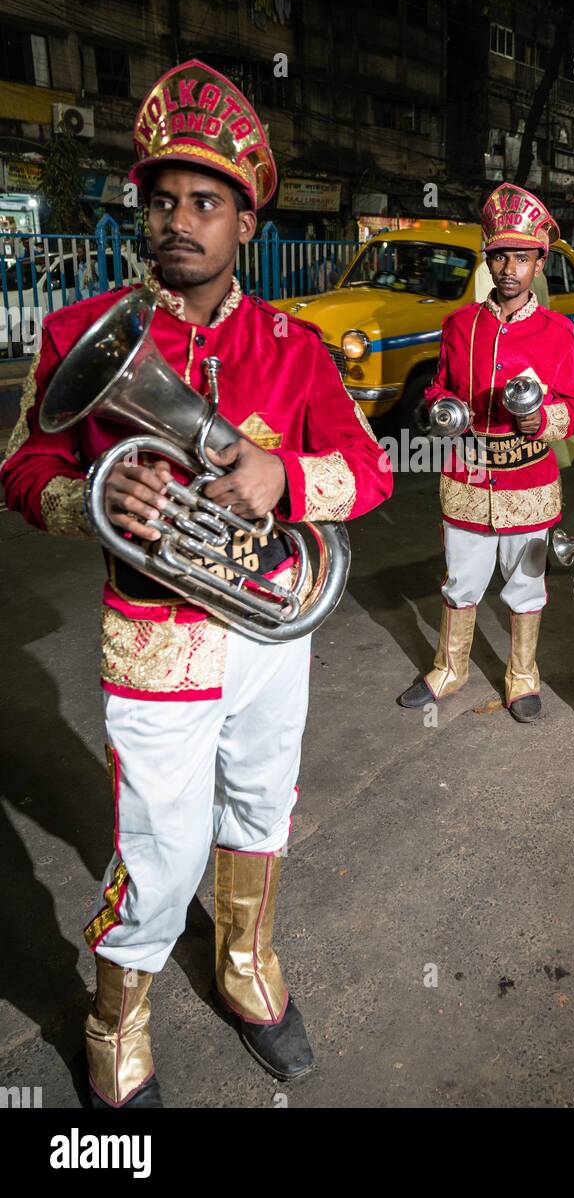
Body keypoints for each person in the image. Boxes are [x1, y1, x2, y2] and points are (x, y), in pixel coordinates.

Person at [0, 59, 392, 1108]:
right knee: (159, 849)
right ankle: (115, 1017)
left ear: (246, 224)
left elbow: (373, 470)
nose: (180, 220)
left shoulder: (295, 349)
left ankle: (244, 967)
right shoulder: (74, 330)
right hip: (154, 633)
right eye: (164, 199)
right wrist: (90, 503)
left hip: (271, 633)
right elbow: (22, 468)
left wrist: (287, 474)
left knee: (265, 806)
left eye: (207, 203)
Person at [397, 182, 574, 722]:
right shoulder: (459, 326)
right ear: (489, 258)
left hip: (529, 482)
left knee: (526, 584)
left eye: (522, 257)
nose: (510, 268)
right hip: (466, 476)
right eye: (501, 255)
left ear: (538, 262)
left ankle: (523, 677)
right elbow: (439, 387)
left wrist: (542, 418)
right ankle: (450, 669)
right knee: (460, 580)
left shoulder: (559, 334)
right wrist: (440, 410)